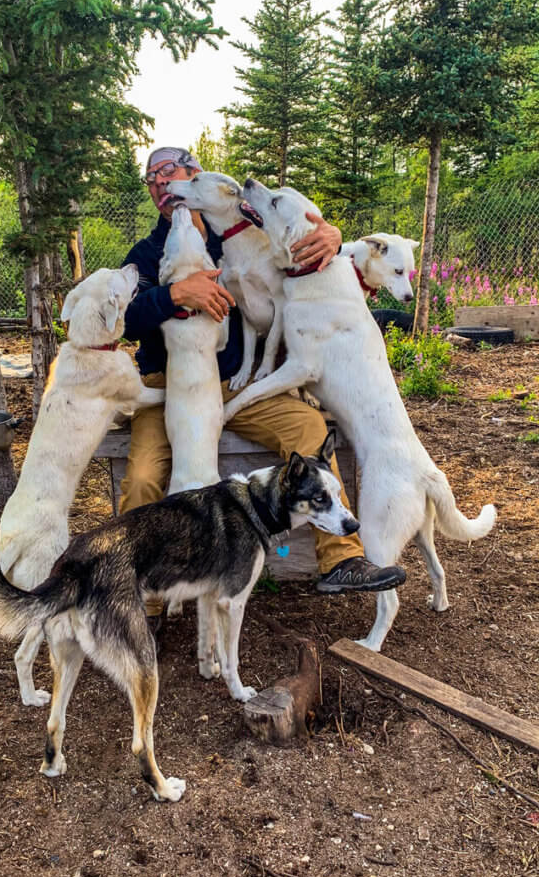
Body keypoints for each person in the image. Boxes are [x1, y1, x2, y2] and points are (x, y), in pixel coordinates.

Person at [119, 146, 406, 613]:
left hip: (239, 381)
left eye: (169, 172)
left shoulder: (243, 232)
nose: (160, 184)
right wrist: (173, 293)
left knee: (310, 432)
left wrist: (330, 235)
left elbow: (302, 234)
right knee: (143, 478)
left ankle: (341, 561)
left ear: (198, 177)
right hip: (171, 388)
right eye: (151, 179)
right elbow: (126, 319)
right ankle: (142, 598)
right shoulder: (148, 253)